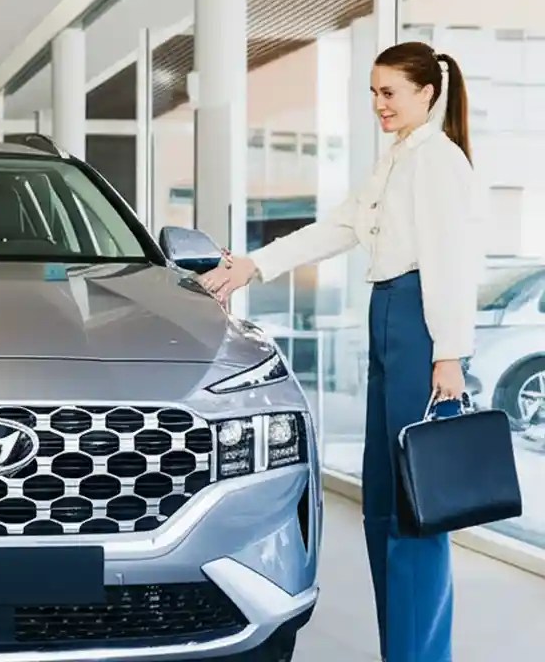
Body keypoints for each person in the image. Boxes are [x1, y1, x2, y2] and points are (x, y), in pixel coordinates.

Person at [200, 41, 485, 662]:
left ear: (426, 93)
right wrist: (254, 265)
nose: (378, 105)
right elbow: (338, 228)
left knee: (416, 509)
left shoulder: (438, 161)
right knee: (382, 505)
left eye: (390, 93)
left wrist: (450, 354)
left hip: (418, 325)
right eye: (373, 93)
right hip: (387, 316)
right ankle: (402, 652)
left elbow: (451, 264)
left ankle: (420, 656)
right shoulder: (394, 162)